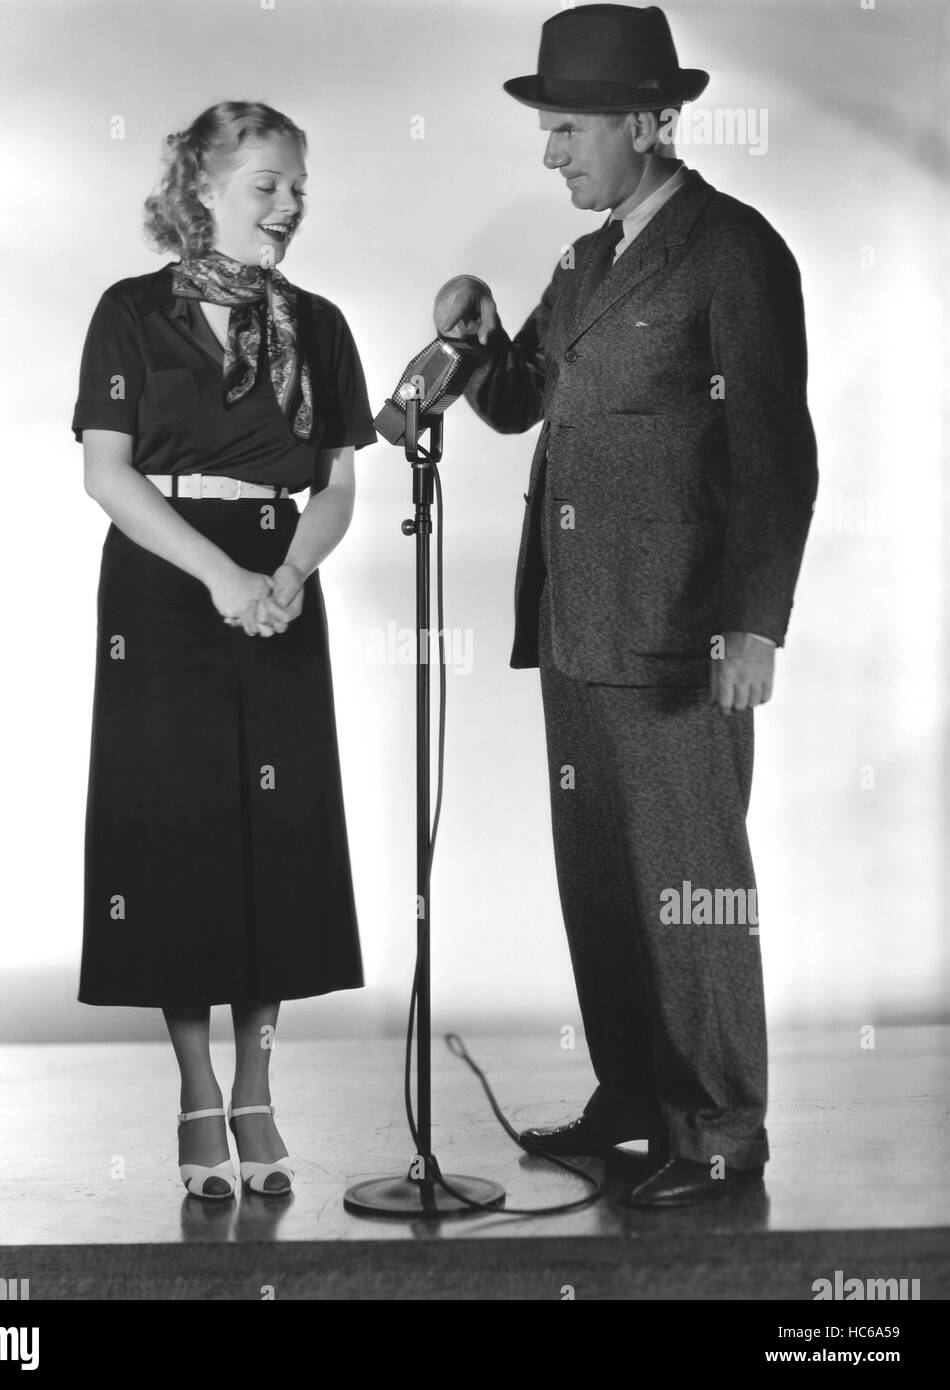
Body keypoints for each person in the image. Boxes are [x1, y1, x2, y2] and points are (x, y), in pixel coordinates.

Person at [434, 5, 817, 1206]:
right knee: (600, 884)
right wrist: (479, 335)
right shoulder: (583, 263)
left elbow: (776, 451)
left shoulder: (734, 251)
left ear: (650, 123)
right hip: (578, 629)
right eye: (549, 129)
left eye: (570, 129)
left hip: (680, 640)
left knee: (690, 895)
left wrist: (754, 621)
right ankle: (636, 1097)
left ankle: (721, 1132)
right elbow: (521, 401)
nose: (550, 152)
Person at [72, 101, 376, 1200]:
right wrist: (224, 578)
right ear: (201, 188)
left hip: (282, 587)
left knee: (273, 839)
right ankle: (197, 1088)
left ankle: (256, 1085)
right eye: (266, 185)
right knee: (179, 834)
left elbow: (337, 482)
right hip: (165, 587)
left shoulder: (321, 326)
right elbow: (108, 473)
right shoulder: (131, 312)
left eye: (298, 186)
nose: (289, 205)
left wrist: (289, 573)